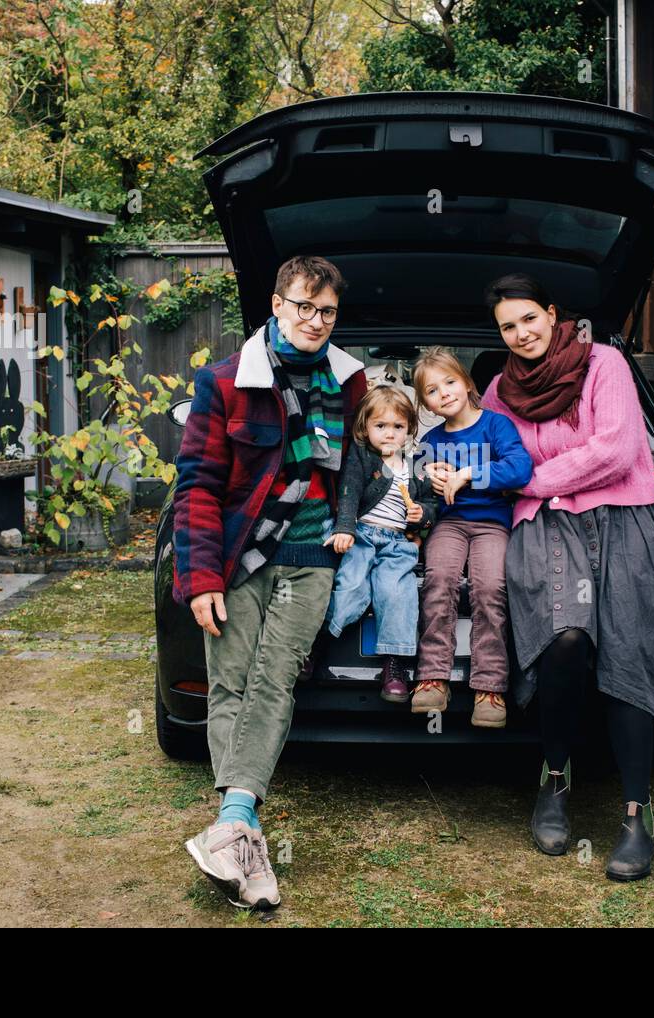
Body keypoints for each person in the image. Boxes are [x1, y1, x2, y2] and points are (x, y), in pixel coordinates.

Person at [478, 273, 654, 881]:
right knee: (565, 641)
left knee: (626, 653)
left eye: (528, 319)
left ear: (552, 312)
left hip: (625, 523)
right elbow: (488, 457)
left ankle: (636, 815)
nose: (521, 334)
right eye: (507, 327)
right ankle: (555, 778)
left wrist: (530, 479)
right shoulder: (497, 392)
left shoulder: (604, 364)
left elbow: (617, 449)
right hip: (548, 530)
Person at [172, 255, 368, 910]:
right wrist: (201, 577)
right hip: (237, 556)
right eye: (304, 305)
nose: (315, 320)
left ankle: (231, 824)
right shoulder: (226, 380)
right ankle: (242, 835)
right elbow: (197, 484)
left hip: (312, 555)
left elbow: (360, 468)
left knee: (272, 676)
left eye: (328, 310)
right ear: (277, 303)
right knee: (229, 679)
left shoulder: (350, 380)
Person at [411, 346, 533, 727]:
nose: (444, 392)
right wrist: (426, 480)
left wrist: (468, 475)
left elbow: (520, 468)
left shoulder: (496, 425)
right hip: (449, 524)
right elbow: (413, 486)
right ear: (426, 403)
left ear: (466, 383)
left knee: (490, 587)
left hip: (493, 525)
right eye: (432, 390)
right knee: (439, 581)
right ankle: (433, 676)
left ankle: (490, 686)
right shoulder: (430, 440)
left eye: (450, 382)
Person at [323, 385, 439, 702]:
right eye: (381, 426)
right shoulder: (363, 457)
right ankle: (316, 642)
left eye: (398, 427)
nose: (389, 434)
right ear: (365, 428)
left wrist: (421, 515)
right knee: (351, 588)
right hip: (362, 535)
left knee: (397, 594)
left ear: (410, 430)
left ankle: (394, 663)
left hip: (398, 541)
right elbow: (348, 492)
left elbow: (431, 505)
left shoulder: (416, 463)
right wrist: (345, 528)